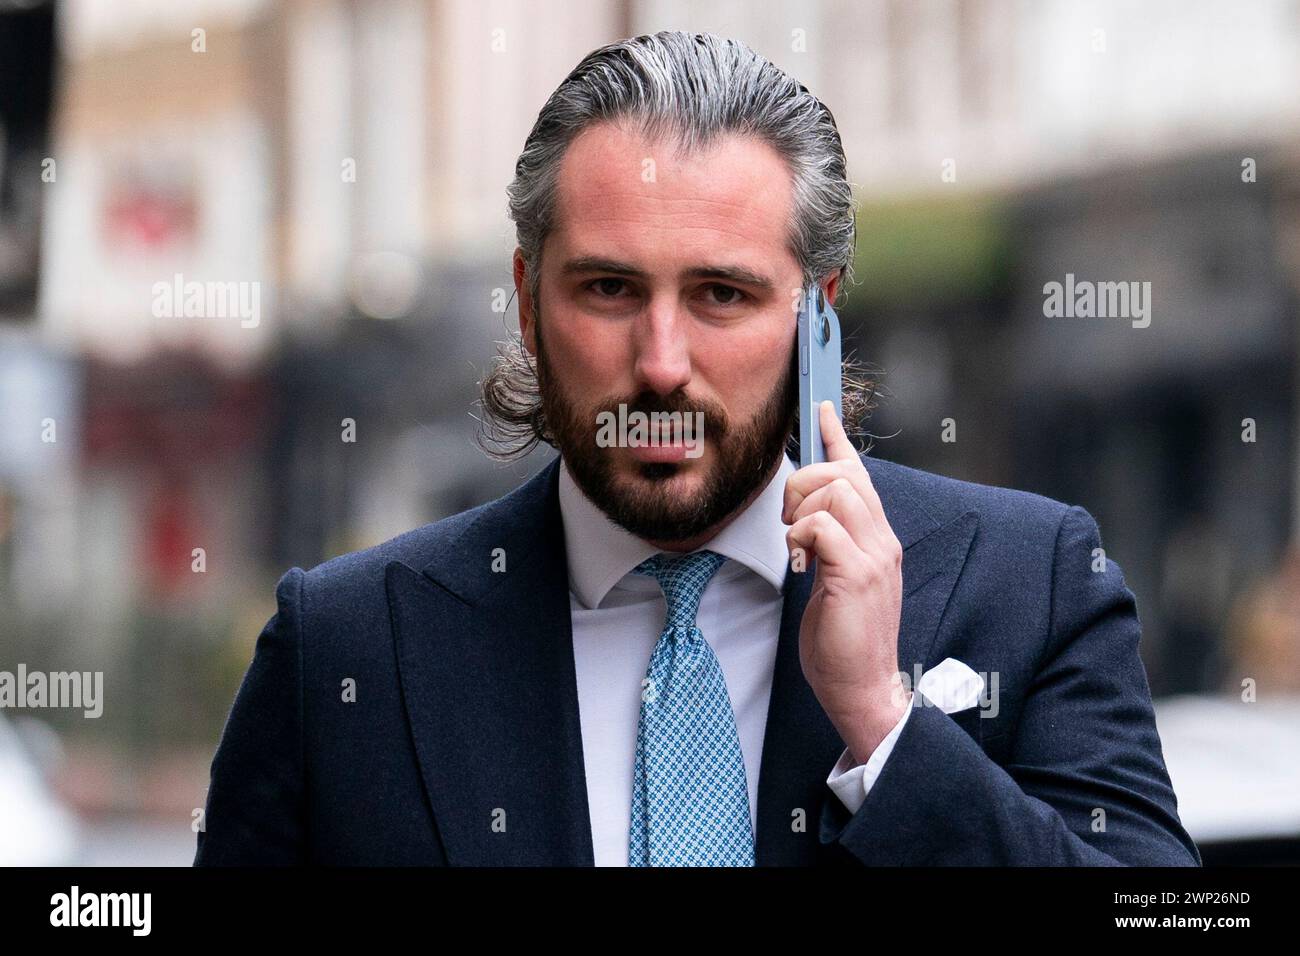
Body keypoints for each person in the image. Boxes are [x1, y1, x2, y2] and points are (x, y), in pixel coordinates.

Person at [195, 31, 1199, 866]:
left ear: (819, 316)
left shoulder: (1034, 585)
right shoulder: (344, 645)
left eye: (721, 293)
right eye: (608, 289)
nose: (662, 362)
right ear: (528, 302)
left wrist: (886, 727)